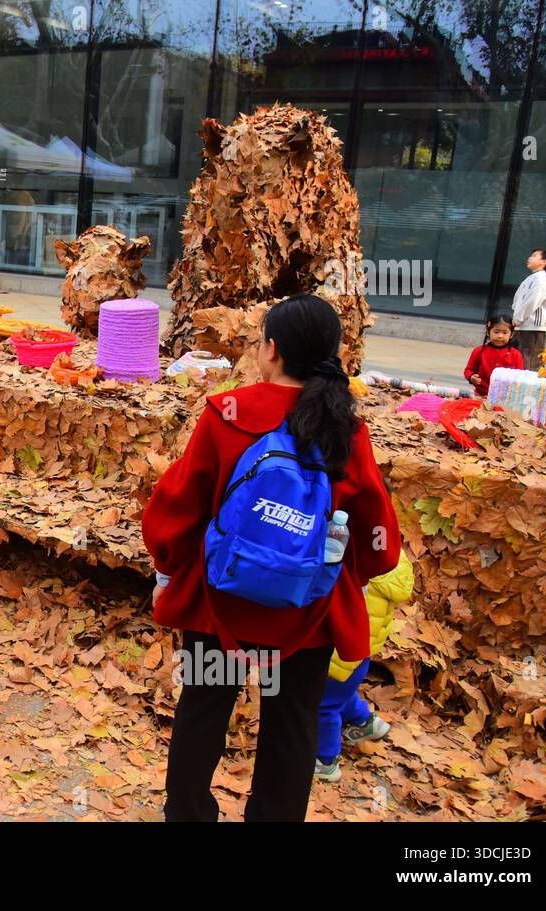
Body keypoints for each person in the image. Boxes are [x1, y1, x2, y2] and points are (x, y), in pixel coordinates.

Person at [141, 293, 400, 822]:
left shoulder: (227, 416)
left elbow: (179, 505)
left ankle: (187, 814)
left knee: (203, 713)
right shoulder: (345, 431)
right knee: (293, 725)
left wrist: (167, 570)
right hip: (307, 615)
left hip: (221, 606)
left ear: (272, 351)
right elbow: (378, 537)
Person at [315, 550, 413, 782]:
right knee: (341, 693)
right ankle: (365, 723)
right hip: (362, 654)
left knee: (323, 705)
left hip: (340, 655)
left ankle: (325, 761)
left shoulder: (358, 574)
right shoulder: (392, 566)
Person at [512, 248, 546, 371]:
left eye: (534, 256)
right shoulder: (533, 277)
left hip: (532, 325)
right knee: (520, 357)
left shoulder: (541, 279)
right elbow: (519, 299)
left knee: (530, 359)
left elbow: (533, 300)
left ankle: (528, 388)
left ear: (544, 262)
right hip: (524, 323)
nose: (529, 258)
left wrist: (519, 317)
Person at [464, 313, 523, 397]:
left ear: (511, 334)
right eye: (496, 332)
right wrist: (471, 377)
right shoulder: (479, 351)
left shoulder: (516, 355)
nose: (500, 336)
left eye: (505, 333)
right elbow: (469, 370)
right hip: (481, 394)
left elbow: (520, 376)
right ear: (488, 332)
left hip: (506, 397)